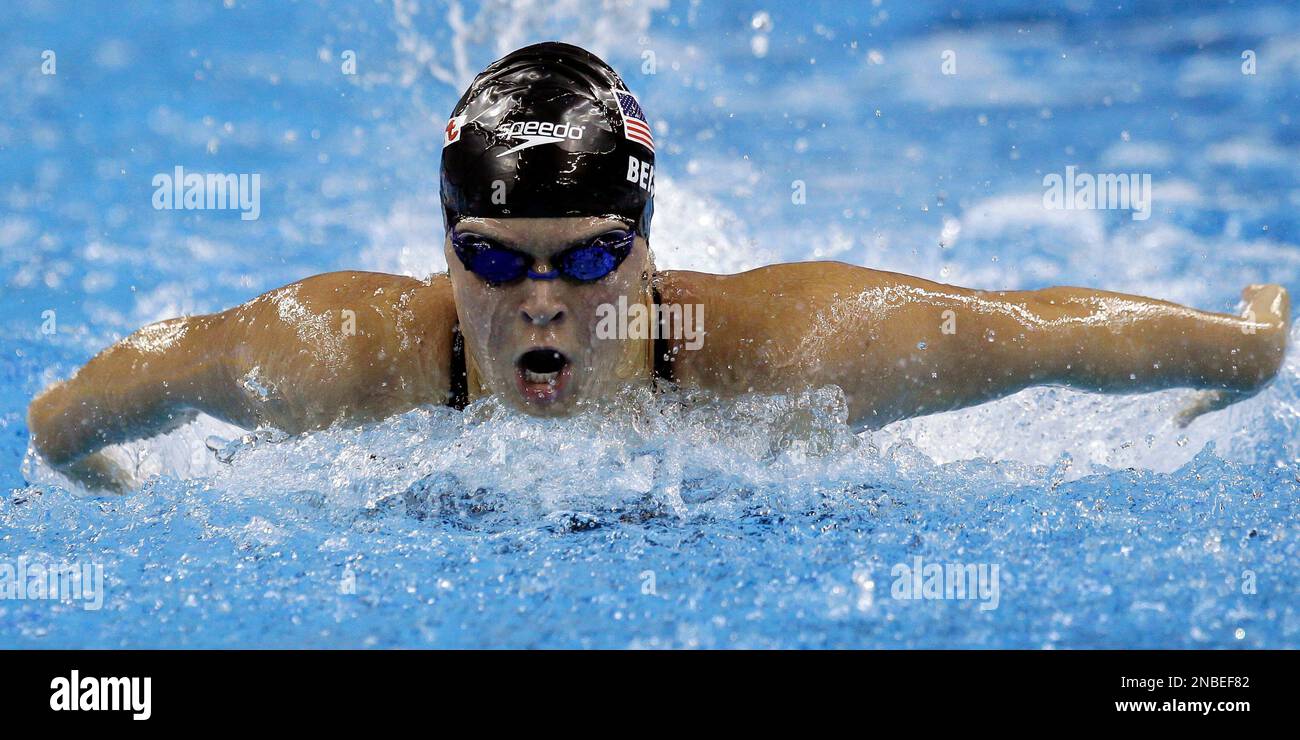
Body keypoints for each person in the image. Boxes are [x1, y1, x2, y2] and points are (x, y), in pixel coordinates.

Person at [26, 42, 1291, 492]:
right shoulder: (332, 354)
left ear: (647, 249)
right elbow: (77, 410)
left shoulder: (796, 347)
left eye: (585, 256)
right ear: (440, 247)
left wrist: (1240, 347)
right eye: (490, 256)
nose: (539, 300)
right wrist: (100, 475)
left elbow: (1043, 332)